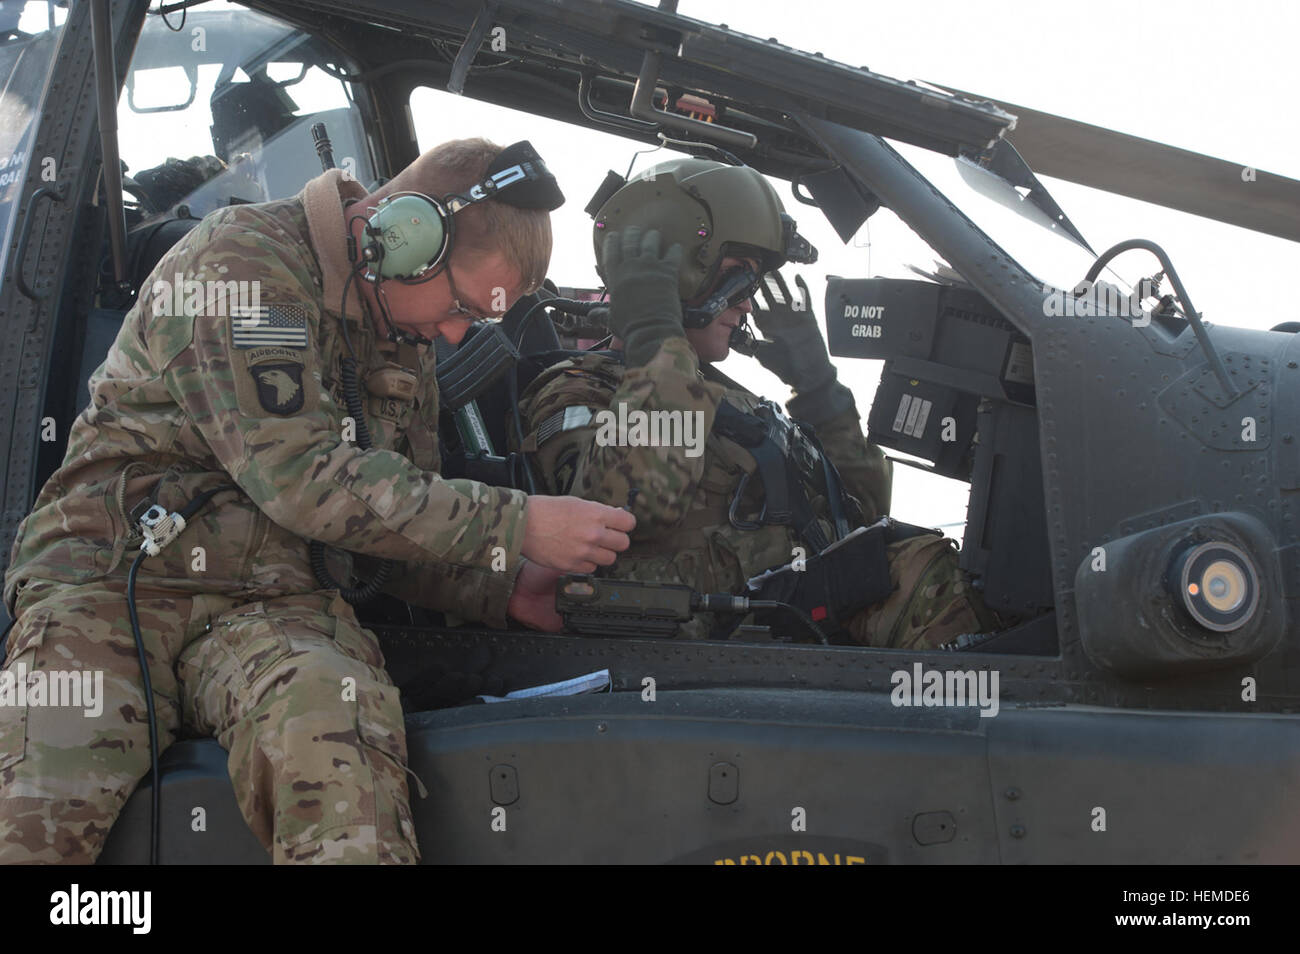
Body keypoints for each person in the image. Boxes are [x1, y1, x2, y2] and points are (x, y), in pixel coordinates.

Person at [0, 137, 635, 864]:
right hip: (109, 584)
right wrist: (517, 524)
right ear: (405, 234)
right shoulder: (244, 265)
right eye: (461, 303)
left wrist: (503, 586)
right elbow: (301, 474)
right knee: (39, 818)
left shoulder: (404, 334)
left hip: (272, 605)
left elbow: (387, 529)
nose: (457, 331)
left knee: (338, 736)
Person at [517, 157, 991, 645]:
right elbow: (628, 507)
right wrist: (656, 334)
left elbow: (866, 514)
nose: (746, 302)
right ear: (675, 271)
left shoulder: (730, 402)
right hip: (711, 666)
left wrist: (818, 387)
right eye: (737, 275)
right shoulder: (577, 388)